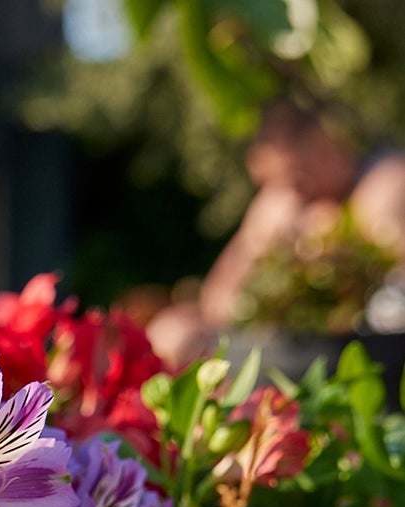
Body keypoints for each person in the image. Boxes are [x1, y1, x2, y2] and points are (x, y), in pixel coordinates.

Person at [146, 99, 405, 366]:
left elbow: (381, 290)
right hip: (281, 343)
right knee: (171, 333)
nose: (289, 193)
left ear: (323, 147)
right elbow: (216, 299)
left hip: (368, 347)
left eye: (295, 178)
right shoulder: (280, 205)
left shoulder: (384, 183)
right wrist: (263, 248)